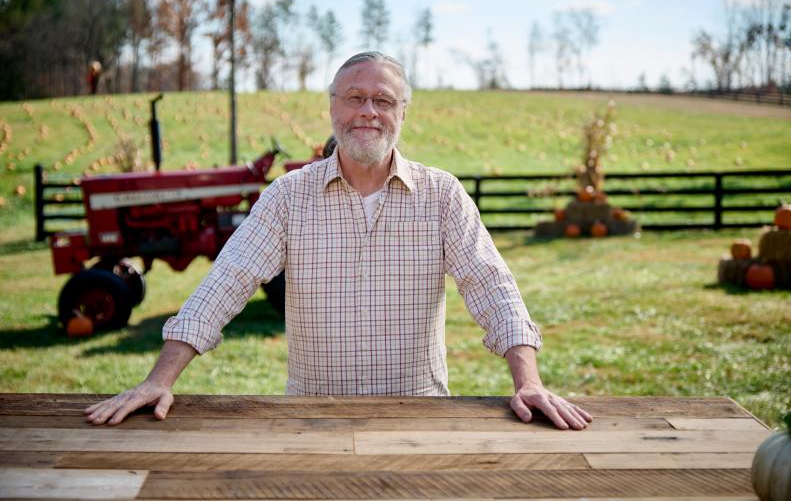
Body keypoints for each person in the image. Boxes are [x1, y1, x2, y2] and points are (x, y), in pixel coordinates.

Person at [85, 52, 592, 430]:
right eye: (354, 97)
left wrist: (528, 382)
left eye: (383, 100)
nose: (368, 111)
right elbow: (226, 281)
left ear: (402, 113)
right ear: (333, 109)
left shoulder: (442, 196)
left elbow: (491, 286)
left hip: (419, 419)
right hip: (312, 420)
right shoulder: (288, 196)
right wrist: (160, 380)